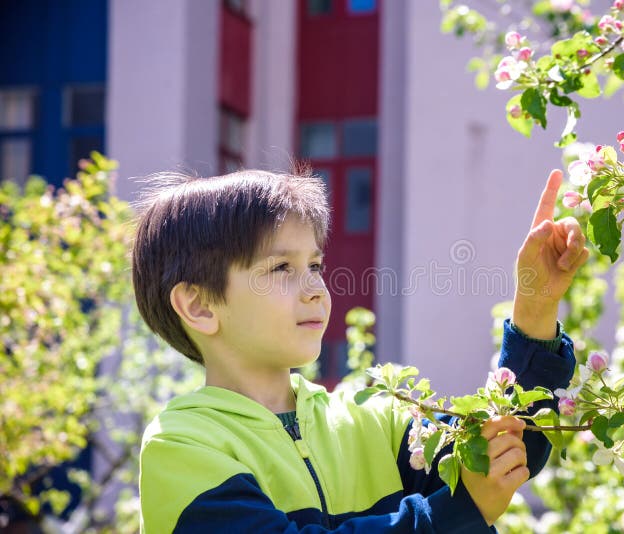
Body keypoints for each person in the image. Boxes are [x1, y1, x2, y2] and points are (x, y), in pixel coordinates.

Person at [133, 166, 588, 533]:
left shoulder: (376, 418)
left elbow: (504, 453)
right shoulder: (181, 447)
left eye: (314, 264)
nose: (314, 288)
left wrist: (535, 306)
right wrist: (456, 514)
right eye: (280, 268)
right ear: (198, 305)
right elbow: (469, 502)